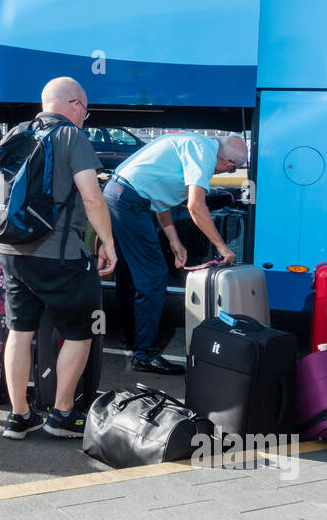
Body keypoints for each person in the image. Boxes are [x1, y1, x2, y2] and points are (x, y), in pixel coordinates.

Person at [0, 77, 116, 440]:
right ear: (75, 105)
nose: (85, 116)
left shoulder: (15, 133)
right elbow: (93, 197)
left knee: (19, 333)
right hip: (60, 257)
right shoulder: (71, 137)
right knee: (80, 334)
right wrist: (107, 242)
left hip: (11, 250)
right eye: (86, 110)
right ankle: (61, 414)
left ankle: (19, 416)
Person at [104, 132, 249, 374]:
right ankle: (145, 355)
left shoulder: (196, 145)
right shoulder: (204, 155)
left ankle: (132, 338)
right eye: (227, 170)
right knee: (154, 276)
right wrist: (223, 247)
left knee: (131, 274)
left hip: (121, 195)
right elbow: (195, 206)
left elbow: (160, 201)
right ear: (228, 164)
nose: (220, 174)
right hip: (128, 201)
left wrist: (174, 241)